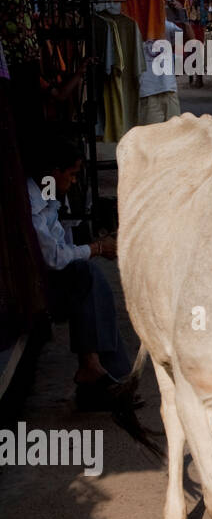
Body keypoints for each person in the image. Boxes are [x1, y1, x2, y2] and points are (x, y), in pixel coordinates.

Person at [26, 136, 135, 410]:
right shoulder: (31, 203)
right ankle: (97, 370)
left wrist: (95, 247)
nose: (74, 182)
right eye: (72, 175)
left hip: (50, 276)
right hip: (35, 286)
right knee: (86, 275)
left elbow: (61, 241)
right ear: (55, 172)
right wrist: (96, 248)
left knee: (92, 279)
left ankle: (98, 370)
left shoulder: (47, 194)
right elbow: (53, 258)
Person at [139, 15, 181, 125]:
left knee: (175, 135)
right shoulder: (136, 25)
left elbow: (190, 40)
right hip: (148, 92)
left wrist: (182, 16)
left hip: (169, 89)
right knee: (153, 137)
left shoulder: (167, 26)